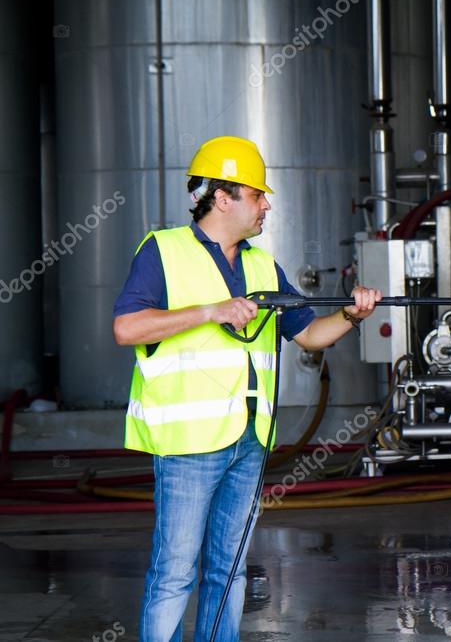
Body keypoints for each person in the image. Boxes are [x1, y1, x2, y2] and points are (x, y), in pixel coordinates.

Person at [112, 136, 381, 641]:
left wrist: (350, 314)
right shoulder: (163, 251)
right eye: (258, 194)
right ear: (222, 197)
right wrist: (210, 312)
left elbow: (309, 333)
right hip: (189, 443)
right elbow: (127, 328)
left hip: (249, 440)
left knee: (230, 569)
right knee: (174, 573)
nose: (267, 204)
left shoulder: (262, 265)